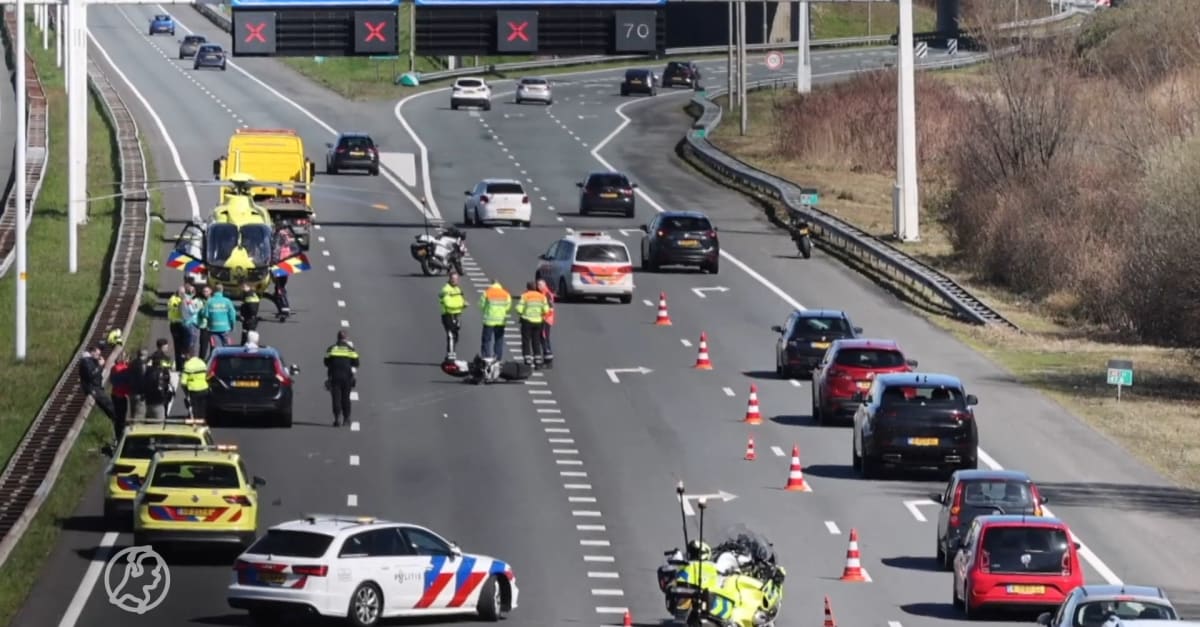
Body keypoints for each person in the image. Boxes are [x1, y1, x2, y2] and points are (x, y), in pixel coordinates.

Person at [78, 346, 121, 440]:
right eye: (97, 354)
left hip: (96, 387)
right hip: (93, 389)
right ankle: (118, 426)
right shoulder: (86, 361)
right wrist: (100, 365)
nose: (99, 356)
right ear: (92, 352)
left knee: (111, 408)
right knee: (110, 407)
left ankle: (117, 425)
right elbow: (92, 375)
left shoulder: (89, 360)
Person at [324, 331, 360, 427]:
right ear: (346, 338)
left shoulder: (331, 349)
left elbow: (326, 362)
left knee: (336, 398)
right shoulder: (350, 349)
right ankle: (346, 419)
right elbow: (356, 363)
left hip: (334, 376)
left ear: (337, 338)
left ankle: (337, 419)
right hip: (347, 377)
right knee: (345, 398)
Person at [516, 281, 551, 368]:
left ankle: (527, 360)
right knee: (536, 341)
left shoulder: (525, 296)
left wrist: (523, 312)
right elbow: (546, 310)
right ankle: (538, 361)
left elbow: (519, 309)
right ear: (535, 288)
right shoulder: (542, 297)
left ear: (527, 288)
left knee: (526, 340)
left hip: (527, 321)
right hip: (538, 322)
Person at [479, 281, 512, 360]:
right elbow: (508, 307)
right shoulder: (505, 293)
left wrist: (487, 310)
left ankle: (486, 357)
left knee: (486, 340)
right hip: (501, 321)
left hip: (489, 320)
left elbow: (481, 305)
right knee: (499, 340)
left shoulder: (487, 292)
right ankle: (498, 357)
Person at [142, 341, 175, 419]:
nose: (167, 348)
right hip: (162, 382)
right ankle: (164, 415)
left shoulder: (151, 357)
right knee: (164, 401)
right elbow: (168, 369)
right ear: (162, 347)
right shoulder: (165, 358)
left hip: (151, 384)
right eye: (166, 347)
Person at [438, 272, 467, 357]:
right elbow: (448, 303)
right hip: (448, 314)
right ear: (449, 279)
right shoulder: (446, 289)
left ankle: (452, 351)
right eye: (453, 279)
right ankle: (450, 354)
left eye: (456, 279)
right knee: (450, 334)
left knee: (455, 335)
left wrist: (464, 303)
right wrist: (461, 305)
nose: (455, 281)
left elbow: (460, 299)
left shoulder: (457, 289)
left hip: (457, 315)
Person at [203, 284, 237, 350]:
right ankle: (226, 360)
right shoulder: (227, 301)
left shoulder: (209, 301)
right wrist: (232, 326)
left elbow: (205, 314)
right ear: (222, 290)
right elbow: (232, 315)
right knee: (227, 349)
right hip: (225, 328)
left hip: (213, 329)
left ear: (213, 291)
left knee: (216, 349)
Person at [180, 350, 210, 420]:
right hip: (204, 388)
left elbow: (183, 382)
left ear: (188, 355)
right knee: (202, 408)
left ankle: (196, 423)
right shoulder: (202, 362)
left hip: (194, 390)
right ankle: (202, 421)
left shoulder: (187, 365)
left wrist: (186, 393)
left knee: (194, 408)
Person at [109, 353, 133, 432]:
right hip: (122, 395)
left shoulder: (113, 368)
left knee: (117, 417)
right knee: (122, 417)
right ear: (125, 359)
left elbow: (111, 381)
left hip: (114, 394)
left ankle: (117, 433)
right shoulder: (125, 368)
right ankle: (121, 434)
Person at [167, 285, 187, 371]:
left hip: (184, 325)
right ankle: (179, 366)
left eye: (183, 292)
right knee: (178, 346)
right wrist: (182, 303)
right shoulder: (173, 299)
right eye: (181, 292)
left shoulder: (185, 299)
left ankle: (184, 364)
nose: (182, 294)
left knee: (185, 346)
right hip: (176, 325)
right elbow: (175, 308)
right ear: (177, 292)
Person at [536, 278, 556, 368]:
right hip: (544, 319)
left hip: (546, 320)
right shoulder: (542, 293)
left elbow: (550, 309)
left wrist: (543, 317)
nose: (538, 286)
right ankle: (546, 358)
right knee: (542, 338)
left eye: (540, 285)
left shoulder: (547, 294)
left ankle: (548, 360)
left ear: (544, 285)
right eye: (538, 285)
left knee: (544, 338)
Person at [197, 285, 213, 360]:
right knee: (203, 346)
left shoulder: (213, 301)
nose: (205, 293)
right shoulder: (200, 300)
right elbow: (200, 312)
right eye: (204, 291)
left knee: (213, 345)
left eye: (206, 291)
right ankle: (201, 360)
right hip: (204, 326)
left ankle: (211, 360)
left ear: (210, 292)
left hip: (213, 326)